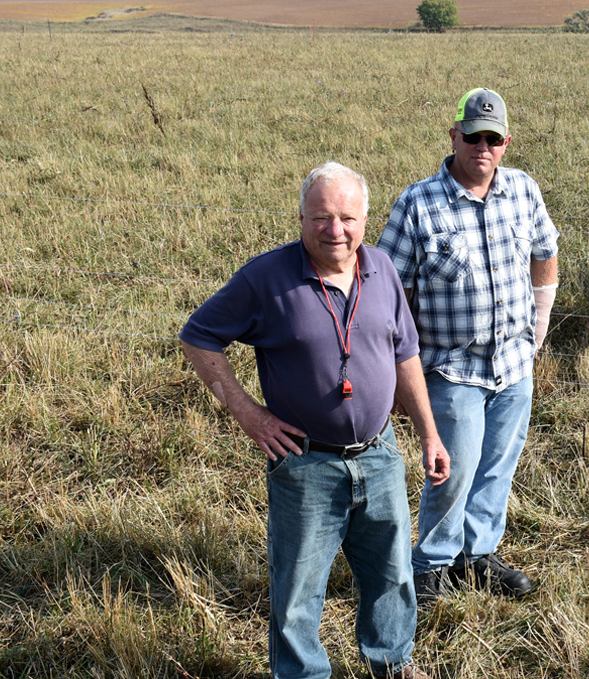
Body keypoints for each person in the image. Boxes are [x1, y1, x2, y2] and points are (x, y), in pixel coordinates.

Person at [180, 162, 448, 679]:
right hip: (305, 463)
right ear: (300, 218)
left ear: (366, 220)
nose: (335, 230)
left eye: (347, 217)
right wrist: (249, 414)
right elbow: (199, 336)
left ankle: (392, 663)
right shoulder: (267, 279)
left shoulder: (383, 271)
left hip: (379, 453)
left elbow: (406, 354)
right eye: (321, 217)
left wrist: (429, 434)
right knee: (299, 588)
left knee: (392, 574)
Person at [377, 87, 559, 605]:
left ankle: (476, 556)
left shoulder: (523, 190)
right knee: (450, 471)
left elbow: (546, 251)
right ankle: (431, 564)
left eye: (493, 138)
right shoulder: (417, 203)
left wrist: (538, 326)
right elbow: (393, 290)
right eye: (473, 136)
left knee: (498, 467)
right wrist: (397, 367)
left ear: (506, 143)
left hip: (514, 362)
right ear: (453, 135)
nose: (482, 147)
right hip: (450, 366)